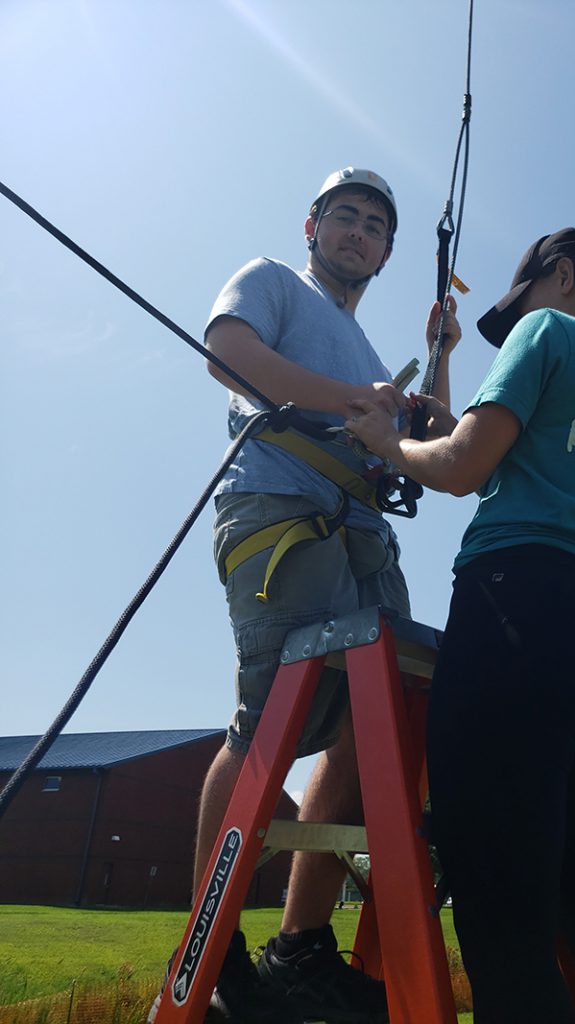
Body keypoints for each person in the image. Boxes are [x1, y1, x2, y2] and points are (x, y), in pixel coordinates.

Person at [347, 228, 575, 1023]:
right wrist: (441, 409)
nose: (521, 321)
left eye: (524, 302)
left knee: (506, 925)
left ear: (562, 277)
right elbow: (491, 445)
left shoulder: (546, 330)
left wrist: (383, 440)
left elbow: (462, 471)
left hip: (519, 621)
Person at [148, 168, 458, 1024]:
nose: (360, 234)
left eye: (375, 228)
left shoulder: (371, 356)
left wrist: (442, 354)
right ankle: (213, 956)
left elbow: (433, 440)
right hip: (282, 515)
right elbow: (230, 351)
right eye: (347, 218)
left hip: (362, 537)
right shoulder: (274, 279)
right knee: (264, 725)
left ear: (388, 253)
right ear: (313, 225)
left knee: (375, 725)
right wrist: (356, 401)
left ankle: (301, 947)